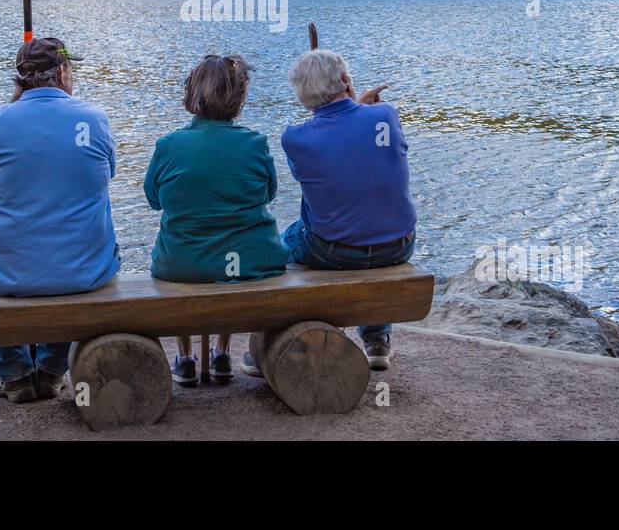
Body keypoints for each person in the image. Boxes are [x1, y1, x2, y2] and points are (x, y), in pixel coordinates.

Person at [0, 37, 119, 403]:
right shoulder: (93, 118)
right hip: (86, 270)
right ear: (61, 72)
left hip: (11, 274)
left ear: (21, 78)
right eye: (70, 68)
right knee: (77, 251)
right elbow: (109, 173)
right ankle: (52, 368)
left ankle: (14, 371)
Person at [247, 48, 417, 375]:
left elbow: (333, 143)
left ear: (302, 94)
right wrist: (359, 106)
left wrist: (350, 109)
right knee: (369, 221)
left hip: (332, 251)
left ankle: (268, 342)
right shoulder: (385, 116)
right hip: (398, 245)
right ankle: (377, 337)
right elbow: (361, 138)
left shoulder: (294, 138)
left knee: (281, 246)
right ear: (345, 80)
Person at [146, 54, 287, 386]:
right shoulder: (255, 143)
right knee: (231, 248)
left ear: (192, 92)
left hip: (180, 263)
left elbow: (154, 201)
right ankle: (222, 353)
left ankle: (184, 359)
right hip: (246, 262)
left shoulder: (168, 145)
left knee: (197, 250)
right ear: (238, 96)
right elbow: (269, 194)